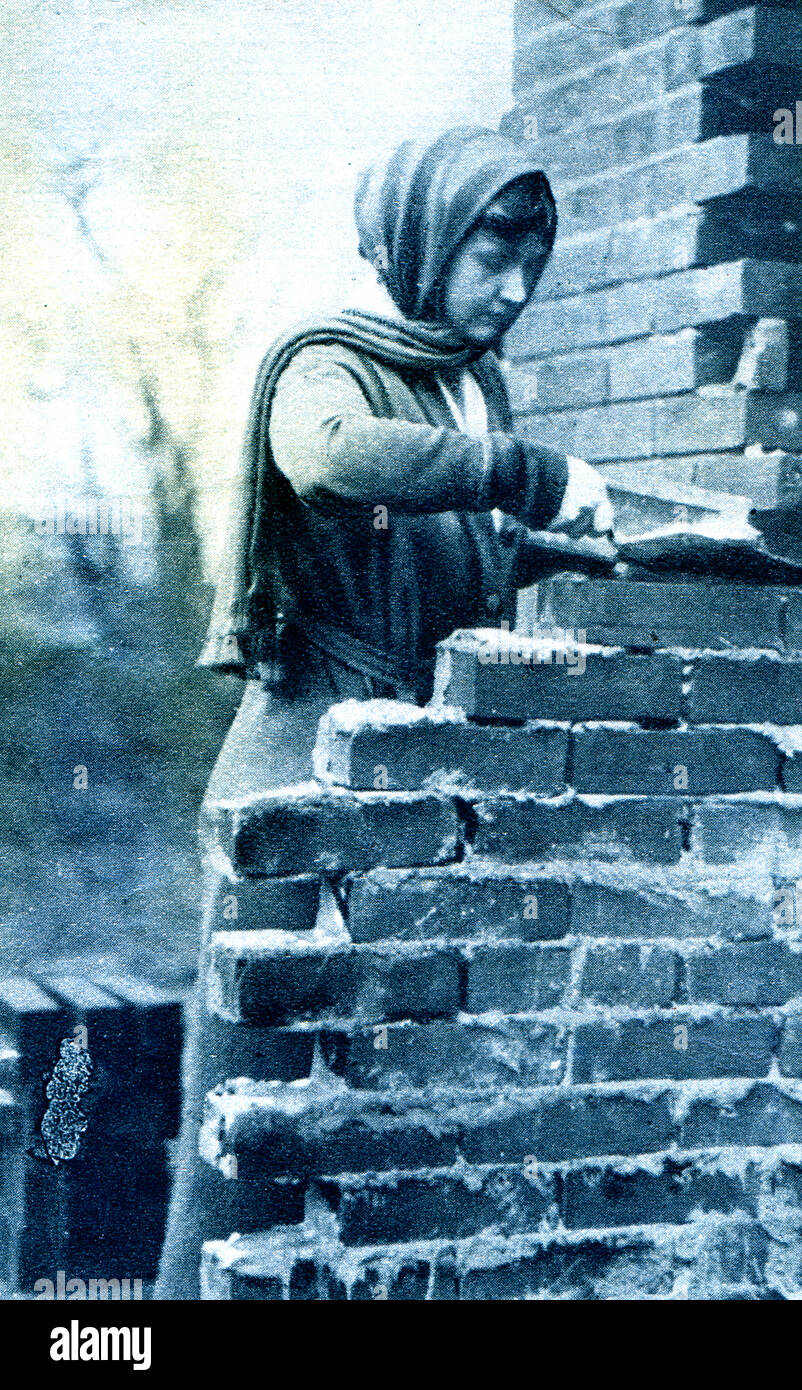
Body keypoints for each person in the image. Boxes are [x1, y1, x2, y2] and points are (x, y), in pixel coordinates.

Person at [154, 125, 613, 1298]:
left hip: (402, 789)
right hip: (298, 796)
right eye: (491, 252)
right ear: (419, 238)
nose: (515, 288)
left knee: (372, 1138)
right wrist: (523, 471)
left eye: (534, 259)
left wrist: (565, 551)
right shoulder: (331, 363)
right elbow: (334, 462)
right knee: (250, 1140)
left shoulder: (468, 384)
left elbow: (450, 561)